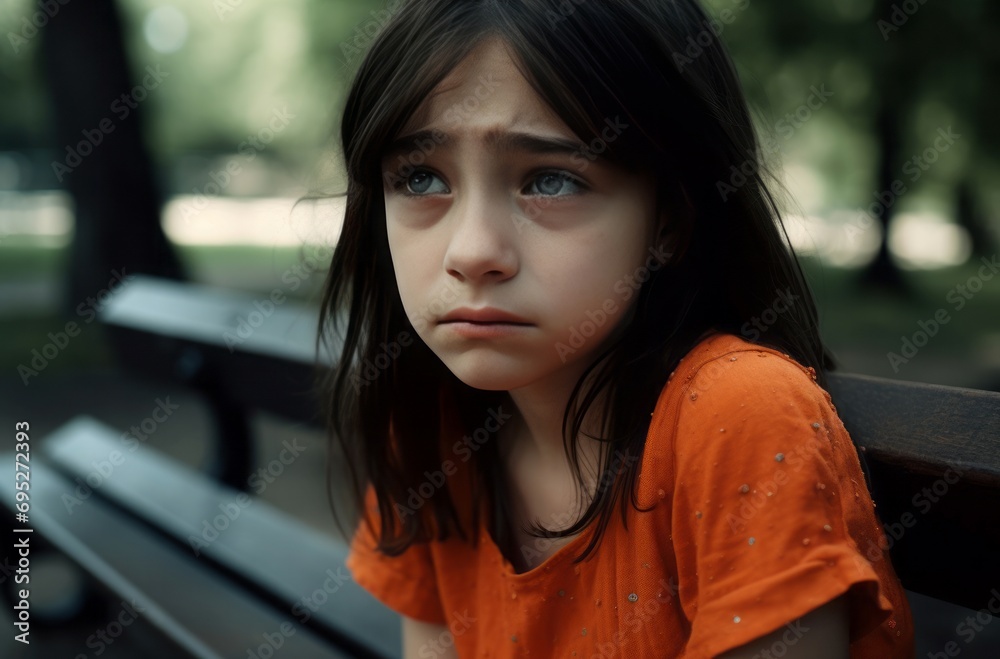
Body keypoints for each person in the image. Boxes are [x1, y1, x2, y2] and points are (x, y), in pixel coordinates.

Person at [317, 1, 914, 656]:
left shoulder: (740, 416)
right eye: (420, 178)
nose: (472, 251)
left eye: (551, 181)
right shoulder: (430, 430)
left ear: (670, 219)